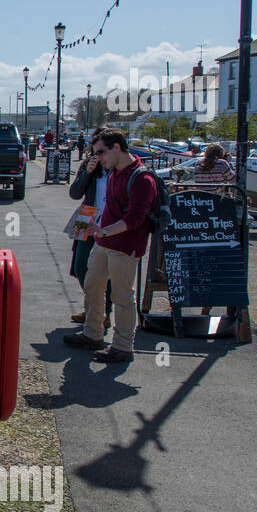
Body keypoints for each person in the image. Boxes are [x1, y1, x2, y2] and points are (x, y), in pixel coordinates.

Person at [62, 129, 157, 363]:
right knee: (92, 286)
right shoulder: (113, 172)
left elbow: (135, 218)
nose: (98, 157)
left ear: (117, 147)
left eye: (101, 152)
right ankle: (92, 333)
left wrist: (103, 230)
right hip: (102, 241)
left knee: (122, 296)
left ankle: (123, 347)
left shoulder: (142, 178)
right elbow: (84, 195)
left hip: (124, 245)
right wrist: (98, 227)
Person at [68, 127, 111, 329]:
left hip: (109, 221)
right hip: (86, 216)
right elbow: (75, 193)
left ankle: (103, 312)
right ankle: (94, 307)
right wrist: (87, 172)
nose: (98, 155)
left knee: (106, 271)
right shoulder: (89, 166)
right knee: (79, 267)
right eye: (96, 151)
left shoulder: (118, 167)